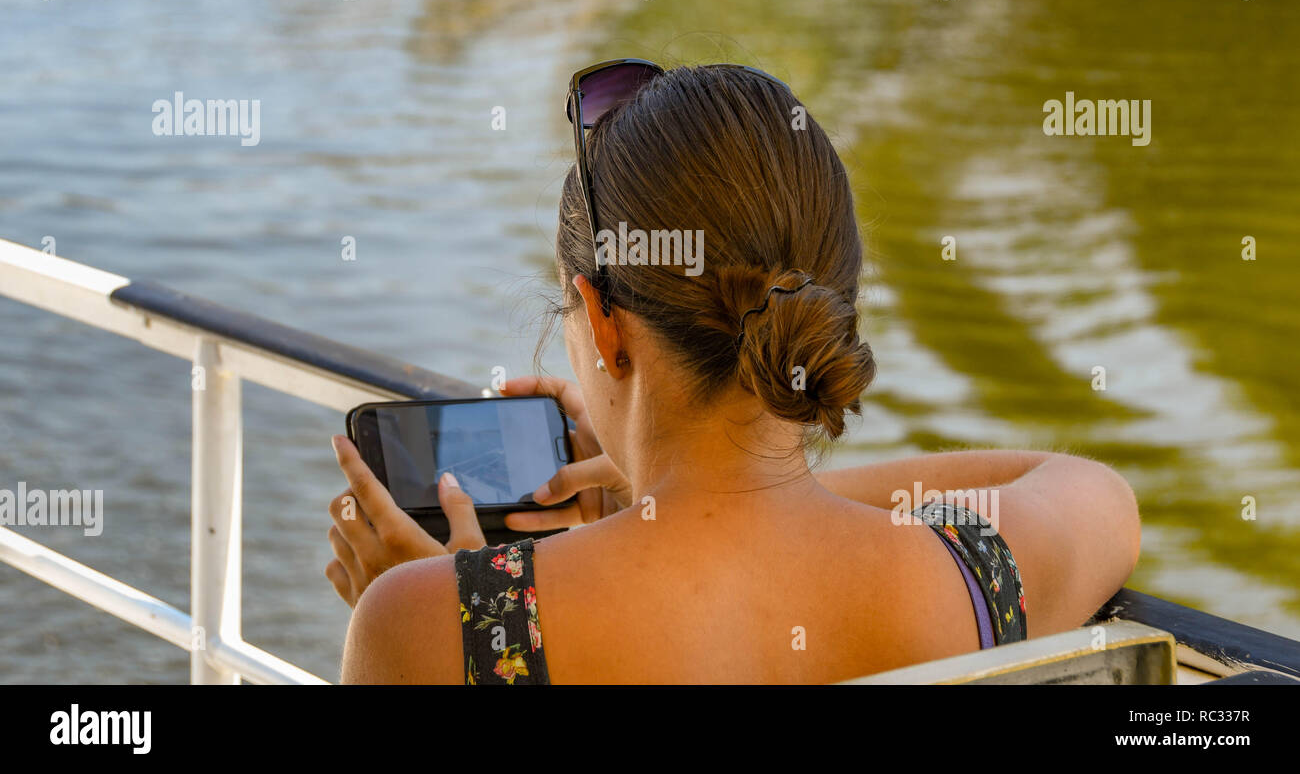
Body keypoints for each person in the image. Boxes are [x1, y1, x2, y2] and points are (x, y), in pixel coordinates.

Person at [325, 61, 1141, 684]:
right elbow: (1091, 490)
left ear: (604, 324)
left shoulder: (450, 622)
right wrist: (730, 488)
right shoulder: (977, 582)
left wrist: (440, 597)